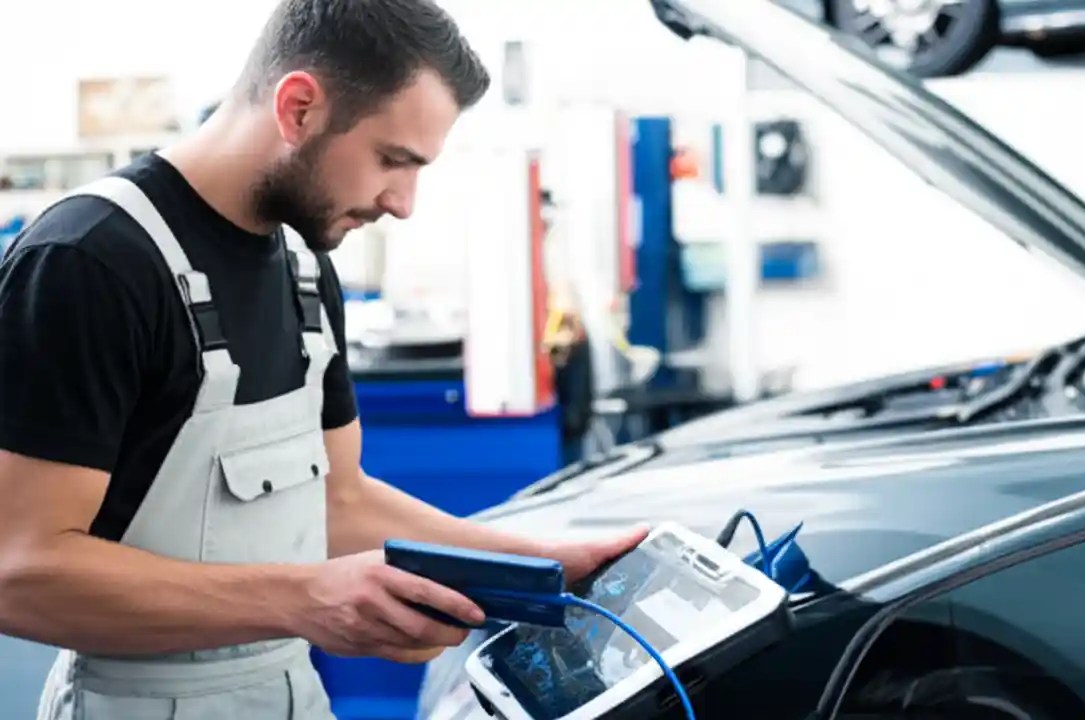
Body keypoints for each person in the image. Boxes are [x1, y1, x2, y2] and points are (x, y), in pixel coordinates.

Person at [0, 1, 647, 718]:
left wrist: (542, 565)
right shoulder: (90, 262)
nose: (403, 203)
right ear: (299, 107)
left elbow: (341, 500)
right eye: (392, 160)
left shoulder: (304, 266)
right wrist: (305, 599)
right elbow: (19, 572)